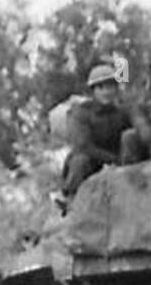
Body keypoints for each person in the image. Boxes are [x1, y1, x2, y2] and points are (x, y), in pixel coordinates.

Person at [60, 64, 145, 202]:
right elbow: (83, 145)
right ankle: (70, 199)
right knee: (79, 161)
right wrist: (111, 161)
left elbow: (137, 122)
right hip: (93, 159)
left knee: (130, 138)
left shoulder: (122, 109)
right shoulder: (81, 112)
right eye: (101, 88)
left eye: (110, 87)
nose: (106, 92)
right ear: (93, 91)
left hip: (119, 159)